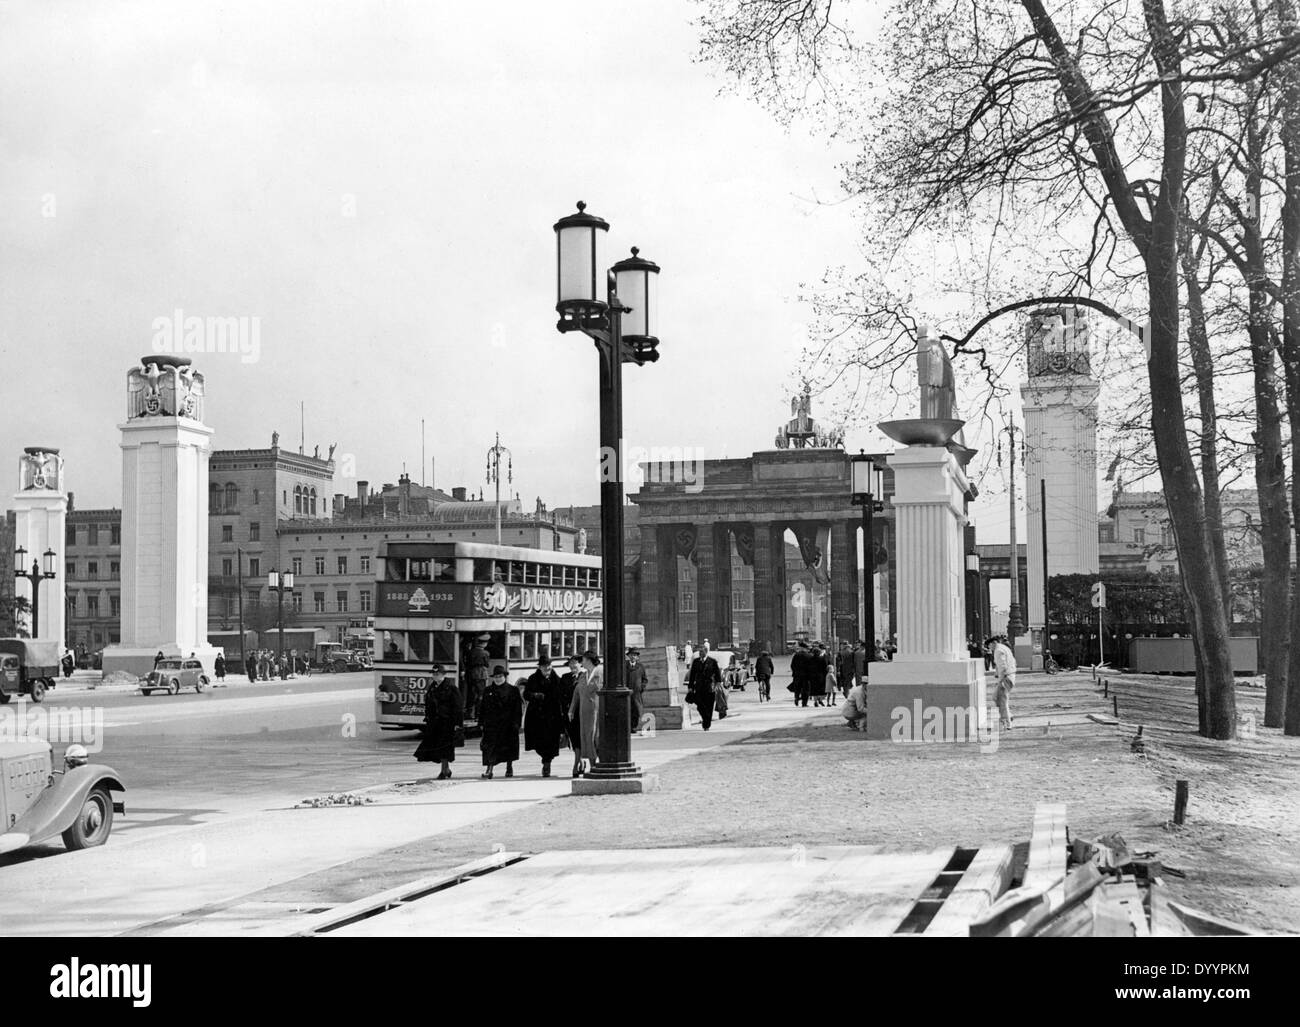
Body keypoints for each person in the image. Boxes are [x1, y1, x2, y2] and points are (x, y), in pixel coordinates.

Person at [415, 663, 463, 779]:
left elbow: (457, 708)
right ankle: (446, 769)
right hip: (435, 723)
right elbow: (428, 704)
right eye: (434, 674)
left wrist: (457, 724)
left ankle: (444, 770)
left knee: (444, 748)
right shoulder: (432, 687)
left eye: (437, 674)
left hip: (447, 723)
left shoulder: (451, 688)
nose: (435, 676)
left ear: (443, 675)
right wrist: (427, 717)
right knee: (437, 747)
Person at [523, 654, 565, 777]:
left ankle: (547, 763)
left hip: (552, 715)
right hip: (537, 715)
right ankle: (545, 759)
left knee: (551, 741)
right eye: (544, 666)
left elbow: (561, 696)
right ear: (540, 667)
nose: (547, 668)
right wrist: (535, 695)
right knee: (538, 741)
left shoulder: (557, 679)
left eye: (549, 666)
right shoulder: (532, 679)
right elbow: (526, 694)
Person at [479, 666, 522, 779]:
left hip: (508, 724)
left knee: (508, 747)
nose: (498, 679)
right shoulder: (488, 690)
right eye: (496, 677)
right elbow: (482, 708)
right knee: (490, 748)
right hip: (492, 724)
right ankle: (489, 769)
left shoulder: (513, 690)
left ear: (505, 677)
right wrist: (481, 723)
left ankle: (509, 767)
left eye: (500, 676)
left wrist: (517, 723)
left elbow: (517, 709)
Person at [568, 651, 602, 775]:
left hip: (598, 712)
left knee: (597, 738)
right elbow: (576, 694)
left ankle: (602, 764)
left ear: (589, 660)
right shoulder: (583, 676)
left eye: (583, 659)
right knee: (587, 739)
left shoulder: (601, 672)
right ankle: (593, 766)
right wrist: (571, 710)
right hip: (584, 713)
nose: (581, 662)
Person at [685, 641, 722, 731]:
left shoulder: (712, 662)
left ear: (706, 652)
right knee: (700, 705)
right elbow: (692, 675)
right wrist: (690, 687)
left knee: (709, 706)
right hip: (699, 687)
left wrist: (717, 684)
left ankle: (706, 725)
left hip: (710, 687)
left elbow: (717, 675)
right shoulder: (696, 662)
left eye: (702, 652)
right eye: (699, 652)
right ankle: (705, 719)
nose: (700, 654)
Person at [559, 654, 584, 777]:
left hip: (582, 713)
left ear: (581, 664)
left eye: (575, 663)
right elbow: (560, 696)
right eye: (570, 664)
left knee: (581, 739)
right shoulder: (565, 678)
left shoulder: (585, 677)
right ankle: (580, 762)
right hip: (569, 714)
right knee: (574, 739)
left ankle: (577, 764)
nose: (572, 666)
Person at [465, 634, 491, 722]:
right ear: (484, 643)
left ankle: (469, 713)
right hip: (481, 674)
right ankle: (478, 714)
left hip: (471, 674)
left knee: (472, 694)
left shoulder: (471, 652)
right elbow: (487, 664)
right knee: (481, 695)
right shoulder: (485, 653)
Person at [992, 634, 1016, 731]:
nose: (989, 648)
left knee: (1001, 700)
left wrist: (999, 679)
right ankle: (1008, 716)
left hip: (1005, 677)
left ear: (993, 643)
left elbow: (1002, 667)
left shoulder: (998, 650)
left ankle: (1007, 721)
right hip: (1010, 676)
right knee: (995, 697)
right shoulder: (1004, 648)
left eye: (989, 646)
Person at [625, 648, 649, 733]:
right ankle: (627, 727)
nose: (633, 657)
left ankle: (634, 726)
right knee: (627, 709)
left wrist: (641, 687)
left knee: (636, 710)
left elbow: (644, 679)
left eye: (635, 655)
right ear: (628, 656)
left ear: (637, 657)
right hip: (626, 692)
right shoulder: (624, 666)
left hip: (636, 693)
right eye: (631, 655)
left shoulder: (640, 667)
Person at [790, 641, 811, 706]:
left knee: (797, 688)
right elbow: (811, 666)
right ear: (805, 648)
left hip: (797, 675)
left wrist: (794, 671)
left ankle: (796, 698)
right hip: (806, 675)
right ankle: (804, 703)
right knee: (806, 689)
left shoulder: (796, 655)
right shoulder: (809, 656)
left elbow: (792, 665)